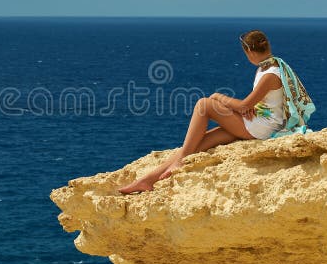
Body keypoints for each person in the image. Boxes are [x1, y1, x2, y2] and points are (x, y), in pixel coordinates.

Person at [118, 29, 314, 194]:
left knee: (204, 105)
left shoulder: (270, 74)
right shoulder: (269, 66)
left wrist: (218, 96)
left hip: (262, 128)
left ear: (248, 51)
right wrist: (249, 108)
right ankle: (147, 180)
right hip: (258, 121)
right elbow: (263, 102)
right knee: (199, 141)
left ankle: (180, 161)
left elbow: (244, 105)